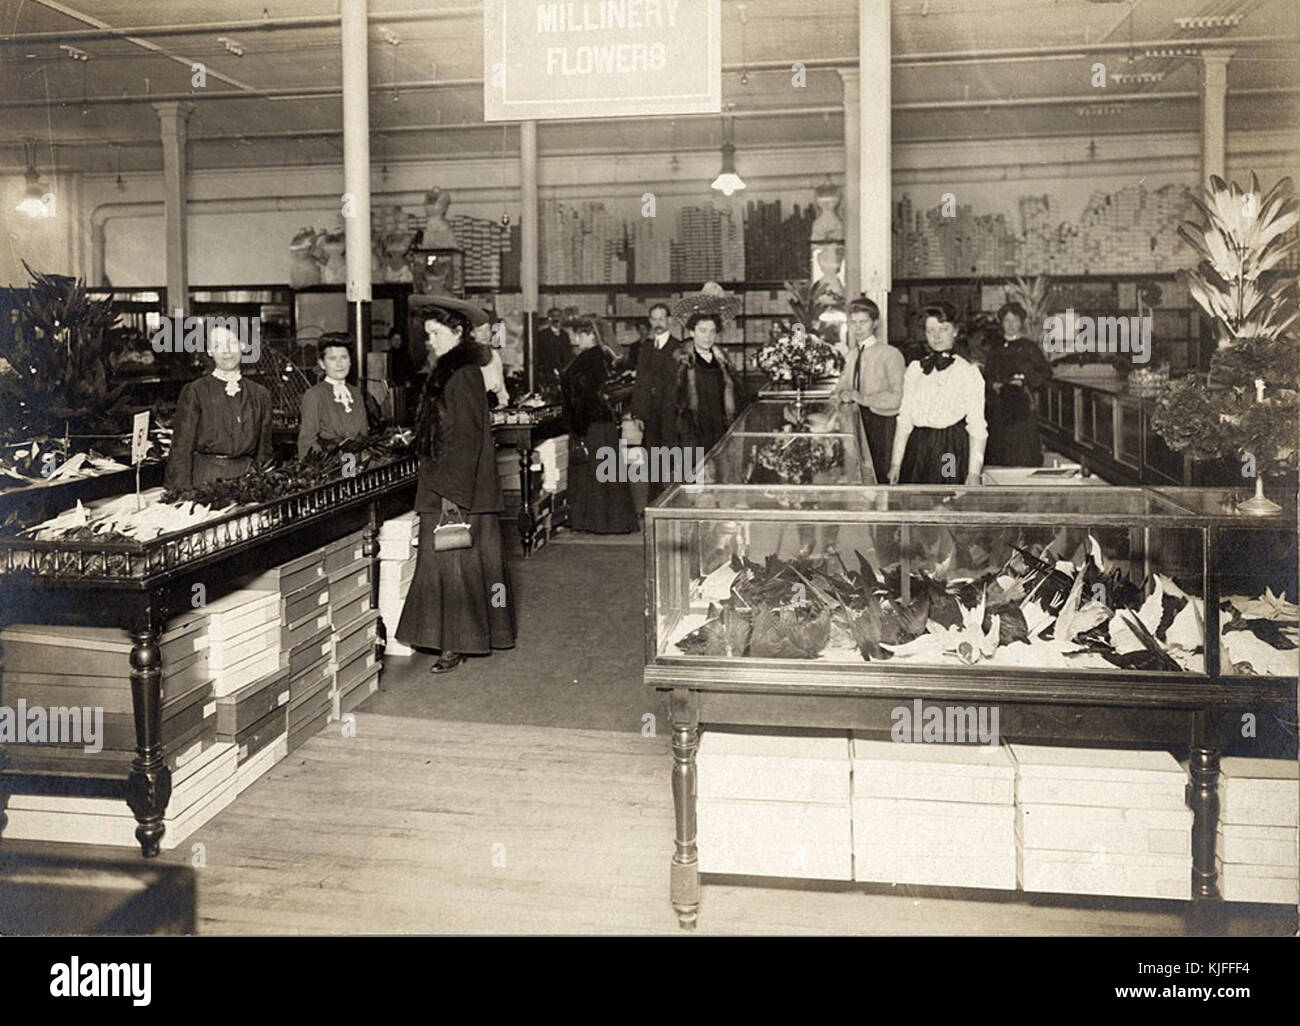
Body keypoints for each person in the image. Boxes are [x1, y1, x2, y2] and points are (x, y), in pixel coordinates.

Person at [396, 299, 516, 673]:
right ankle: (471, 636)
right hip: (460, 486)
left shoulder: (460, 375)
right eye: (427, 333)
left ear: (458, 333)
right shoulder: (455, 371)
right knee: (463, 565)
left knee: (453, 566)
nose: (430, 341)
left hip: (456, 489)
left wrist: (451, 497)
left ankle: (455, 643)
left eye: (436, 333)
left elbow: (464, 438)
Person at [887, 302, 987, 486]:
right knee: (915, 504)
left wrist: (974, 473)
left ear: (955, 331)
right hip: (918, 446)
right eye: (930, 330)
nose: (936, 336)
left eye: (943, 329)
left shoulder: (968, 372)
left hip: (949, 450)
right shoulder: (915, 369)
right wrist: (896, 463)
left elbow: (977, 427)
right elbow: (904, 419)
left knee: (946, 499)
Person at [165, 324, 273, 492]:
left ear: (243, 345)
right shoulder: (196, 391)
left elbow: (264, 451)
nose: (226, 351)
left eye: (231, 342)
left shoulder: (260, 394)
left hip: (248, 482)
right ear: (209, 351)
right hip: (207, 482)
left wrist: (263, 488)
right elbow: (181, 448)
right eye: (217, 345)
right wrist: (180, 493)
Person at [560, 315, 638, 534]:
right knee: (607, 479)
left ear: (590, 335)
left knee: (592, 478)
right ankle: (613, 521)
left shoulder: (587, 360)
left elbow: (585, 398)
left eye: (579, 334)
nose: (576, 339)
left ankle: (592, 522)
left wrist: (578, 429)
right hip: (604, 426)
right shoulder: (604, 357)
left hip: (590, 426)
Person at [833, 296, 904, 482]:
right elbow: (840, 389)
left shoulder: (890, 354)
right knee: (862, 476)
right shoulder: (851, 356)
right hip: (857, 423)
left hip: (883, 426)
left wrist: (863, 398)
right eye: (853, 322)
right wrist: (842, 394)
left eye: (863, 322)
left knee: (882, 477)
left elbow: (898, 397)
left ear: (875, 324)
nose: (857, 328)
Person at [985, 301, 1052, 467]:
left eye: (1015, 320)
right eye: (1007, 321)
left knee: (1022, 451)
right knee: (999, 450)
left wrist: (1025, 380)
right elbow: (987, 375)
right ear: (1001, 323)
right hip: (999, 406)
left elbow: (1046, 373)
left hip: (1021, 406)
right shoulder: (995, 347)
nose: (1011, 325)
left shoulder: (1029, 347)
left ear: (1021, 322)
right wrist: (993, 384)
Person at [667, 312, 741, 454]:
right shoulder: (681, 362)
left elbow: (735, 394)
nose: (708, 336)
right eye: (703, 331)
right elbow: (673, 401)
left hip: (720, 424)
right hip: (693, 428)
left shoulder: (723, 362)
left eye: (712, 331)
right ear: (692, 332)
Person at [630, 302, 681, 498]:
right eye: (655, 319)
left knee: (670, 458)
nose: (658, 323)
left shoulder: (678, 347)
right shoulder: (646, 348)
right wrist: (638, 412)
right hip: (650, 414)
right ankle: (654, 503)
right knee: (652, 460)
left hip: (670, 412)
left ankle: (671, 501)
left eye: (662, 318)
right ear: (650, 321)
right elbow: (640, 381)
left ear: (669, 320)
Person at [296, 333, 371, 459]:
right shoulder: (315, 395)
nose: (339, 364)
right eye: (332, 359)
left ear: (350, 361)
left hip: (358, 469)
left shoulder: (356, 393)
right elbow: (306, 443)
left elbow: (364, 435)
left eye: (344, 357)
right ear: (322, 364)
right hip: (331, 471)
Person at [472, 316, 511, 408]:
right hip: (476, 403)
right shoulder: (469, 356)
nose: (484, 334)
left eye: (487, 330)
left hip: (493, 403)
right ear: (472, 333)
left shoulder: (494, 354)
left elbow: (500, 380)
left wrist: (503, 402)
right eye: (480, 331)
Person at [533, 307, 571, 390]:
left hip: (563, 373)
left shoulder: (565, 335)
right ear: (548, 319)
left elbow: (568, 354)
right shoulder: (542, 335)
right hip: (547, 374)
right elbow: (539, 356)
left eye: (558, 316)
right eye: (553, 316)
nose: (556, 318)